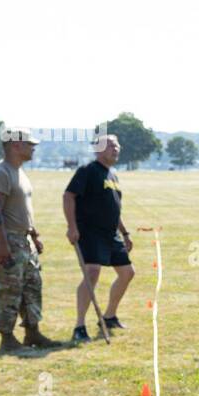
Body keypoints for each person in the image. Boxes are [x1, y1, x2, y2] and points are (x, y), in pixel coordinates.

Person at [0, 128, 60, 351]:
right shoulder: (1, 173)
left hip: (24, 240)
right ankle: (7, 339)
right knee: (9, 289)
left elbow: (21, 210)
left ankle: (32, 334)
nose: (33, 148)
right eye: (29, 144)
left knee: (31, 287)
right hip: (8, 241)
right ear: (15, 145)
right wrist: (2, 244)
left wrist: (34, 236)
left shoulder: (19, 172)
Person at [63, 134, 135, 343]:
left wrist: (125, 232)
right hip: (90, 233)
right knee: (92, 273)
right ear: (99, 149)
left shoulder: (112, 175)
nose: (116, 149)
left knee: (127, 273)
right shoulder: (88, 171)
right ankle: (79, 326)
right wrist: (71, 227)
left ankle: (109, 316)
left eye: (117, 145)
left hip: (111, 234)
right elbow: (68, 196)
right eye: (111, 145)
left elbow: (114, 208)